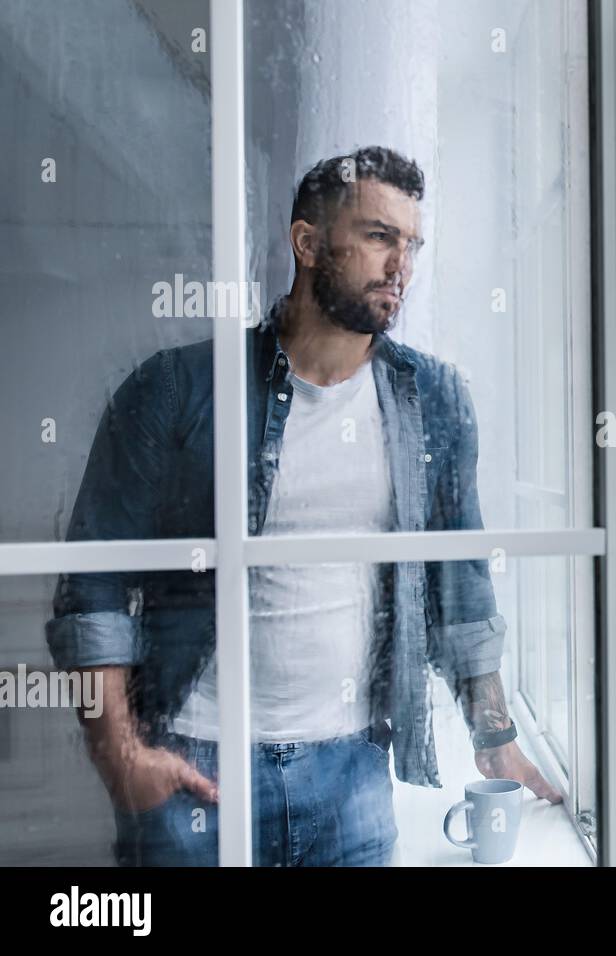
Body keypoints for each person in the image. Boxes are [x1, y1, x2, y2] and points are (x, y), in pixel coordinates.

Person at [45, 145, 561, 867]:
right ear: (308, 242)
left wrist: (496, 736)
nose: (400, 265)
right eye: (380, 236)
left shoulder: (432, 401)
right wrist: (120, 757)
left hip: (351, 776)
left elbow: (461, 586)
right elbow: (91, 587)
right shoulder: (178, 389)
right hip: (197, 769)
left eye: (411, 243)